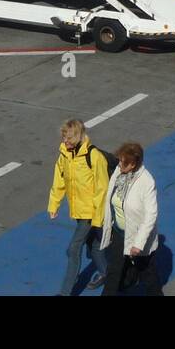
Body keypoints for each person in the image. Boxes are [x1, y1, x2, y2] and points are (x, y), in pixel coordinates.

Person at [48, 118, 110, 295]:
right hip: (78, 211)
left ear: (77, 137)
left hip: (91, 213)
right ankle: (108, 274)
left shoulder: (94, 157)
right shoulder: (65, 155)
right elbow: (59, 180)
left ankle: (65, 292)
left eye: (68, 138)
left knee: (73, 249)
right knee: (95, 247)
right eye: (63, 138)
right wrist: (54, 204)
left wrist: (97, 218)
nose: (64, 141)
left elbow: (102, 188)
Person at [99, 142, 161, 295]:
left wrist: (138, 244)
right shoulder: (119, 173)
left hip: (138, 237)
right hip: (120, 232)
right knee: (113, 271)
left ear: (133, 164)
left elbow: (151, 215)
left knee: (148, 275)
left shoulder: (147, 182)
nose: (118, 165)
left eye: (122, 162)